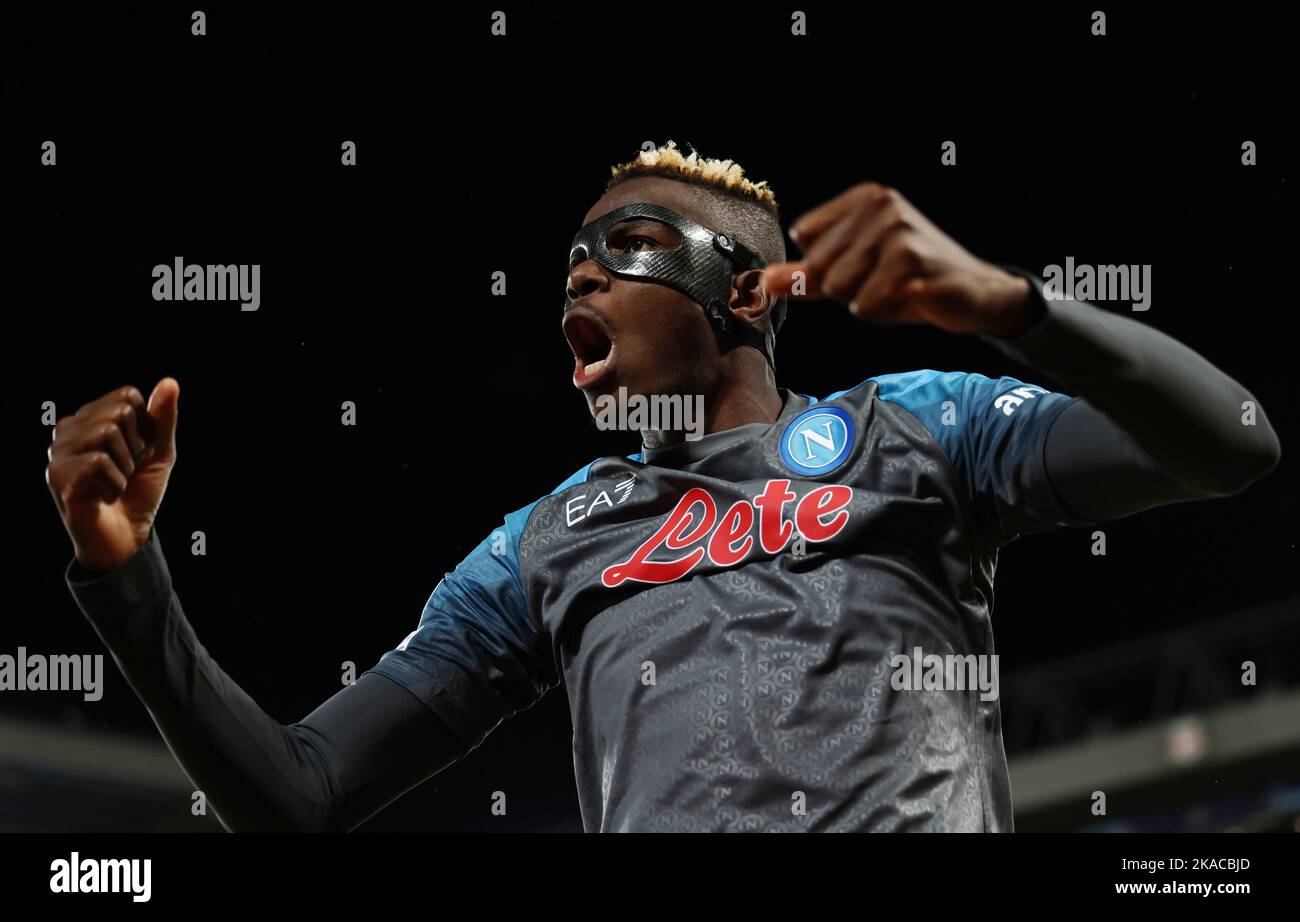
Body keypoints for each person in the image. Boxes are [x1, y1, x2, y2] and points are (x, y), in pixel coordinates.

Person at [48, 141, 1281, 831]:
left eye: (625, 246)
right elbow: (300, 795)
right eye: (570, 261)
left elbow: (1231, 439)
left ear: (746, 292)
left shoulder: (916, 429)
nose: (579, 278)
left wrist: (1017, 308)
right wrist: (126, 578)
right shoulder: (541, 545)